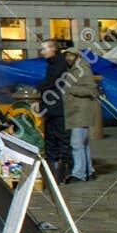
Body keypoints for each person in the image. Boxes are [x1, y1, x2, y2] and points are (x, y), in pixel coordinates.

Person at [61, 47, 101, 182]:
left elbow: (92, 90)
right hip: (76, 110)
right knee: (84, 143)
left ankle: (79, 174)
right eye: (66, 55)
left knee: (76, 143)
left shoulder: (83, 69)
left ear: (76, 56)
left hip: (82, 110)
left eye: (69, 55)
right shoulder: (72, 69)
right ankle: (89, 171)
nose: (67, 57)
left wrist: (71, 89)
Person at [36, 39, 73, 184]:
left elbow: (51, 81)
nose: (42, 51)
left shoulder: (59, 63)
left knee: (61, 139)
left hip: (58, 108)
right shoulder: (53, 63)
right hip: (51, 108)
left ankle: (65, 171)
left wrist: (38, 86)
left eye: (44, 49)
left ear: (53, 49)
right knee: (51, 140)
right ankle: (54, 172)